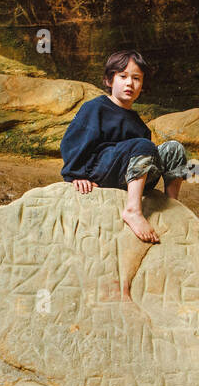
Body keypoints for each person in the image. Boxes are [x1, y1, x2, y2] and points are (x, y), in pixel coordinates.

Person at [59, 49, 188, 244]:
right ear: (109, 81)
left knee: (174, 149)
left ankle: (173, 204)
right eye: (123, 76)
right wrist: (76, 175)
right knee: (143, 145)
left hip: (129, 176)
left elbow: (145, 158)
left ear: (142, 85)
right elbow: (72, 141)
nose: (130, 83)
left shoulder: (138, 124)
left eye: (136, 78)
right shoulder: (95, 108)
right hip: (100, 170)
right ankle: (132, 211)